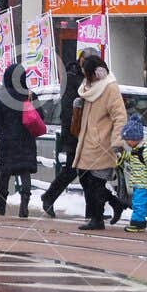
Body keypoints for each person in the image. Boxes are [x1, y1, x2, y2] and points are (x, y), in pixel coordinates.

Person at [72, 53, 126, 231]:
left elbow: (120, 116)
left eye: (88, 73)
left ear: (97, 73)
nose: (86, 77)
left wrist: (117, 140)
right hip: (86, 141)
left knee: (96, 182)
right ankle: (115, 203)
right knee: (86, 179)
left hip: (102, 142)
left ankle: (97, 218)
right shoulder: (88, 86)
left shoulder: (110, 88)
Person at [40, 51, 87, 218]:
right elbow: (69, 109)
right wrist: (72, 131)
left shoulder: (87, 78)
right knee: (75, 170)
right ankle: (49, 196)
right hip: (75, 132)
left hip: (84, 132)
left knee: (84, 171)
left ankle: (94, 209)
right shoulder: (72, 78)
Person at [0, 63, 40, 218]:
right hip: (26, 139)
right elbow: (40, 117)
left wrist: (4, 134)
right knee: (25, 171)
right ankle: (24, 204)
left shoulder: (2, 96)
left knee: (5, 173)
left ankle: (2, 204)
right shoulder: (30, 95)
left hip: (8, 140)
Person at [119, 113, 147, 233]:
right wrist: (124, 157)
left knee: (138, 203)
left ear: (135, 138)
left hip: (145, 183)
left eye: (127, 140)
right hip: (139, 181)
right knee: (142, 203)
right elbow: (133, 157)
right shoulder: (137, 150)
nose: (126, 143)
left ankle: (138, 223)